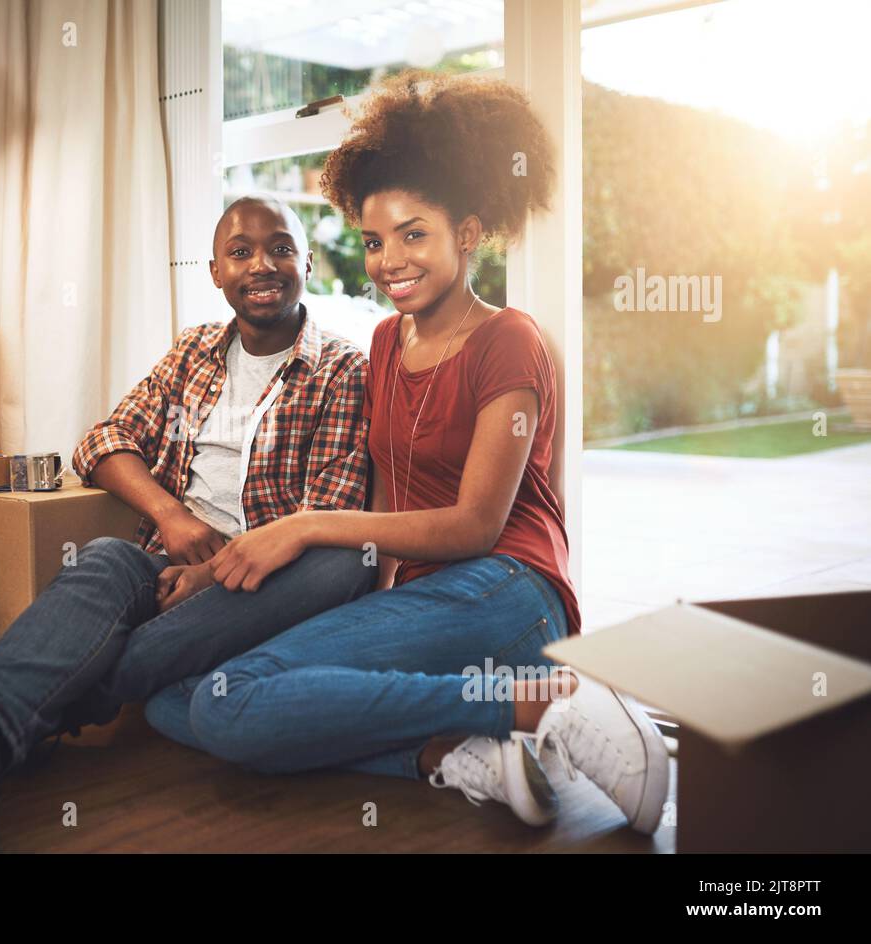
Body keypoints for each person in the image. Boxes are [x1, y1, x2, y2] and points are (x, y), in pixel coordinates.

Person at [143, 71, 671, 834]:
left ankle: (544, 697)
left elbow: (473, 528)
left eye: (413, 233)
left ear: (468, 232)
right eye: (372, 240)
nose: (388, 260)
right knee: (179, 693)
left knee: (235, 701)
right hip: (421, 602)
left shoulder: (508, 340)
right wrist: (355, 599)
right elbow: (390, 501)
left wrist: (305, 525)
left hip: (507, 591)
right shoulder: (387, 340)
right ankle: (453, 754)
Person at [0, 195, 377, 852]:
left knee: (339, 563)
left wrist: (211, 573)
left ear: (306, 260)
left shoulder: (342, 368)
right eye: (241, 251)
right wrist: (170, 517)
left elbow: (323, 515)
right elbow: (101, 440)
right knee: (105, 555)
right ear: (216, 272)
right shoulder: (193, 351)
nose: (263, 265)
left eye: (280, 247)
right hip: (169, 559)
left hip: (271, 576)